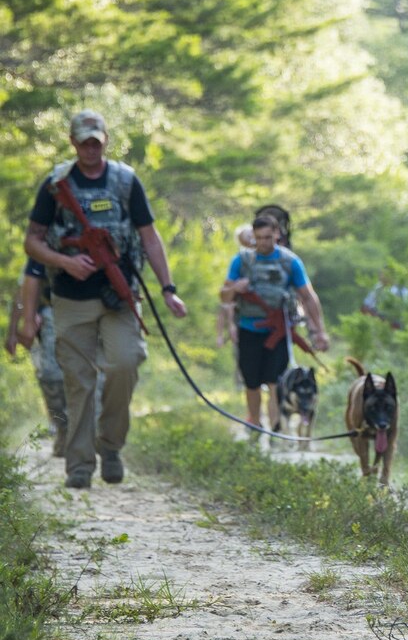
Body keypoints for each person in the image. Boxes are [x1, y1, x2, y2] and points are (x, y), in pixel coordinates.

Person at [24, 109, 188, 489]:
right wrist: (66, 260)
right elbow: (32, 240)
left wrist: (168, 289)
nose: (90, 148)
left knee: (124, 364)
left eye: (96, 141)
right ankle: (79, 465)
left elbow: (149, 236)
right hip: (70, 296)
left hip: (120, 294)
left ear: (105, 141)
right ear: (73, 143)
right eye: (84, 142)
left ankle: (110, 445)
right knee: (78, 382)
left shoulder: (126, 181)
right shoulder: (55, 184)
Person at [220, 213, 329, 437]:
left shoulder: (290, 262)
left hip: (279, 333)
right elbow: (223, 296)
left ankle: (276, 432)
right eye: (259, 237)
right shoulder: (241, 261)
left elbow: (308, 297)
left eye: (268, 237)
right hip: (249, 330)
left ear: (277, 235)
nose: (263, 242)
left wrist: (319, 331)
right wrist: (235, 289)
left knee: (275, 382)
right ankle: (255, 426)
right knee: (251, 383)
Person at [5, 260, 69, 456]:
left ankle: (85, 432)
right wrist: (14, 329)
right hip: (49, 317)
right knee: (50, 375)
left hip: (88, 315)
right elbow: (22, 291)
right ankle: (63, 427)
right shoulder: (40, 251)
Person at [216, 224, 254, 387]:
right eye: (245, 238)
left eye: (251, 236)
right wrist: (226, 328)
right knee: (245, 363)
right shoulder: (239, 263)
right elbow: (224, 303)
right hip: (242, 321)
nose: (249, 240)